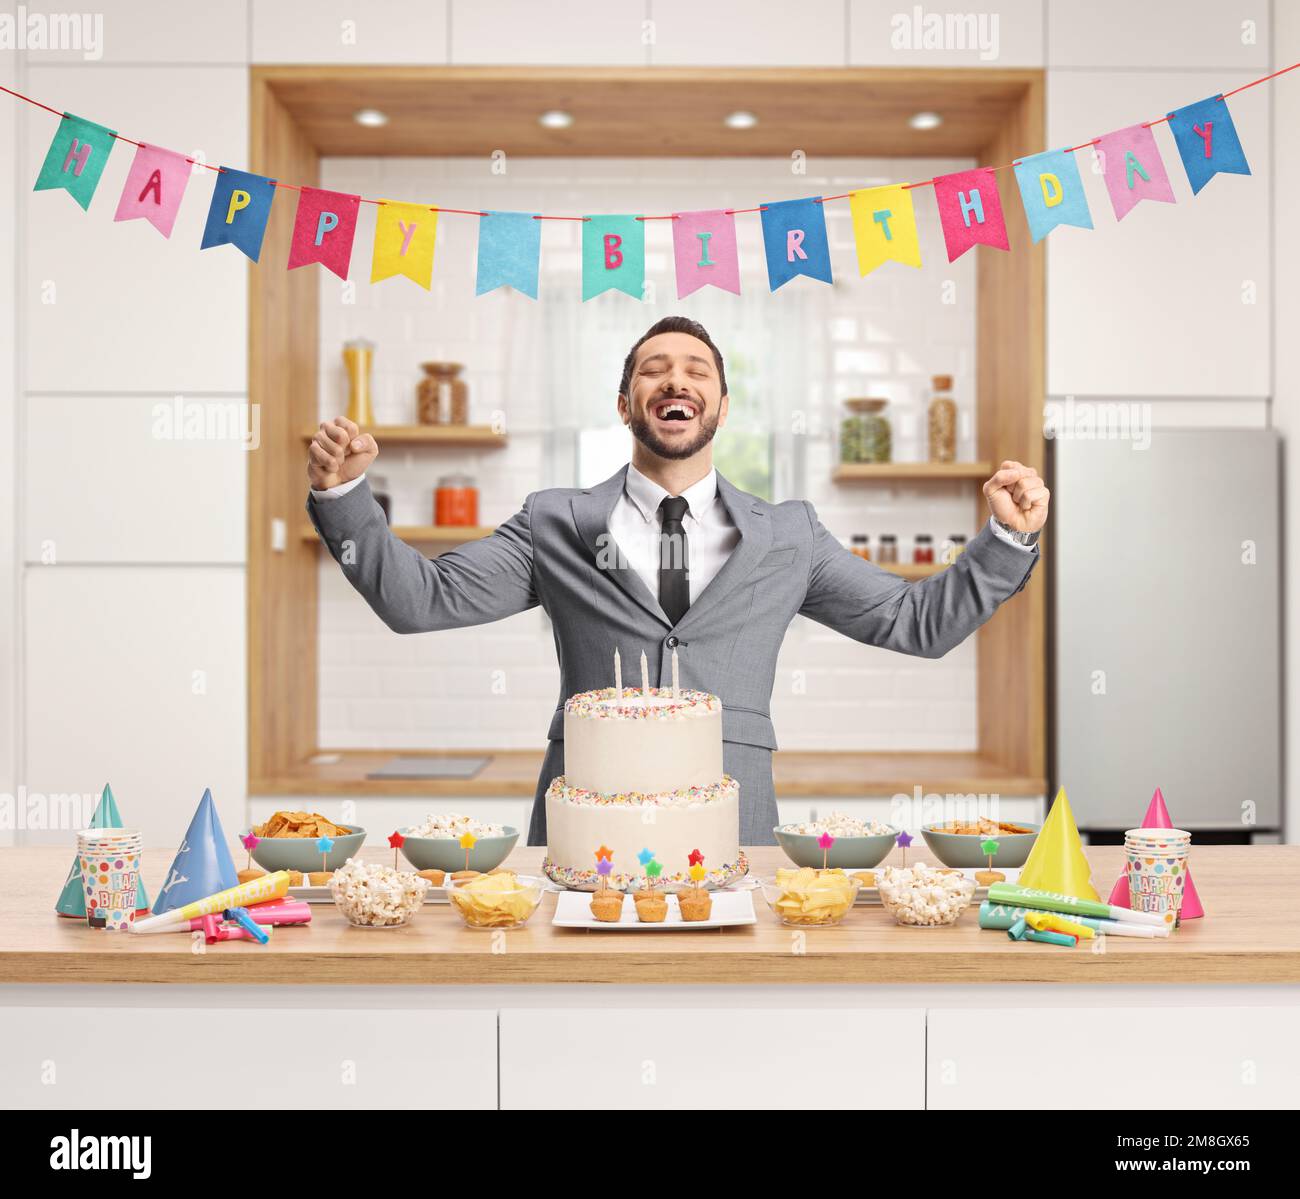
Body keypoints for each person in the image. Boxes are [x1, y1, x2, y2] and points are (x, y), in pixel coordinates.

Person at [306, 315, 1049, 846]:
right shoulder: (555, 522)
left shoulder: (789, 535)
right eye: (653, 368)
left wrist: (1008, 538)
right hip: (583, 831)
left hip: (736, 830)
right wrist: (345, 499)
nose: (675, 377)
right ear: (626, 403)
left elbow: (915, 622)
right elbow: (421, 601)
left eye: (697, 370)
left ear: (722, 407)